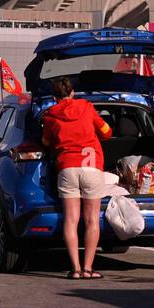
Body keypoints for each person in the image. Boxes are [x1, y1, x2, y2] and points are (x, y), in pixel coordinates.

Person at [42, 75, 113, 279]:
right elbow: (107, 132)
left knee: (71, 220)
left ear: (54, 97)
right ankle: (89, 268)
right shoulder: (87, 107)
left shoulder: (50, 115)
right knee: (92, 220)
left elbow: (46, 142)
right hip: (91, 167)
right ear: (72, 92)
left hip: (67, 168)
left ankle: (75, 269)